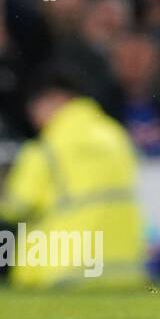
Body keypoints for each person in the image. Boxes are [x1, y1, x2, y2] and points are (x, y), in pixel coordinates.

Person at [0, 69, 144, 288]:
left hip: (66, 269)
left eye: (35, 107)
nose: (33, 117)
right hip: (123, 270)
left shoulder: (47, 146)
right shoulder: (116, 135)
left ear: (54, 99)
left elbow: (18, 206)